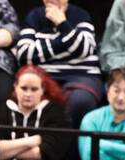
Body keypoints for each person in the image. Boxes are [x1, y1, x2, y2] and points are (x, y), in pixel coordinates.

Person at [14, 0, 104, 128]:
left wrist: (62, 23)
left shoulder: (81, 15)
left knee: (80, 101)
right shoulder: (34, 16)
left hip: (81, 75)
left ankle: (65, 146)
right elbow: (24, 56)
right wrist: (66, 43)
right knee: (32, 97)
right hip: (42, 77)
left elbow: (84, 49)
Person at [0, 64, 74, 160]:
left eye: (34, 89)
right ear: (15, 87)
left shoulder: (56, 113)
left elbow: (46, 154)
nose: (28, 94)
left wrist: (5, 150)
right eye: (24, 88)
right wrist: (32, 141)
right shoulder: (2, 111)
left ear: (42, 90)